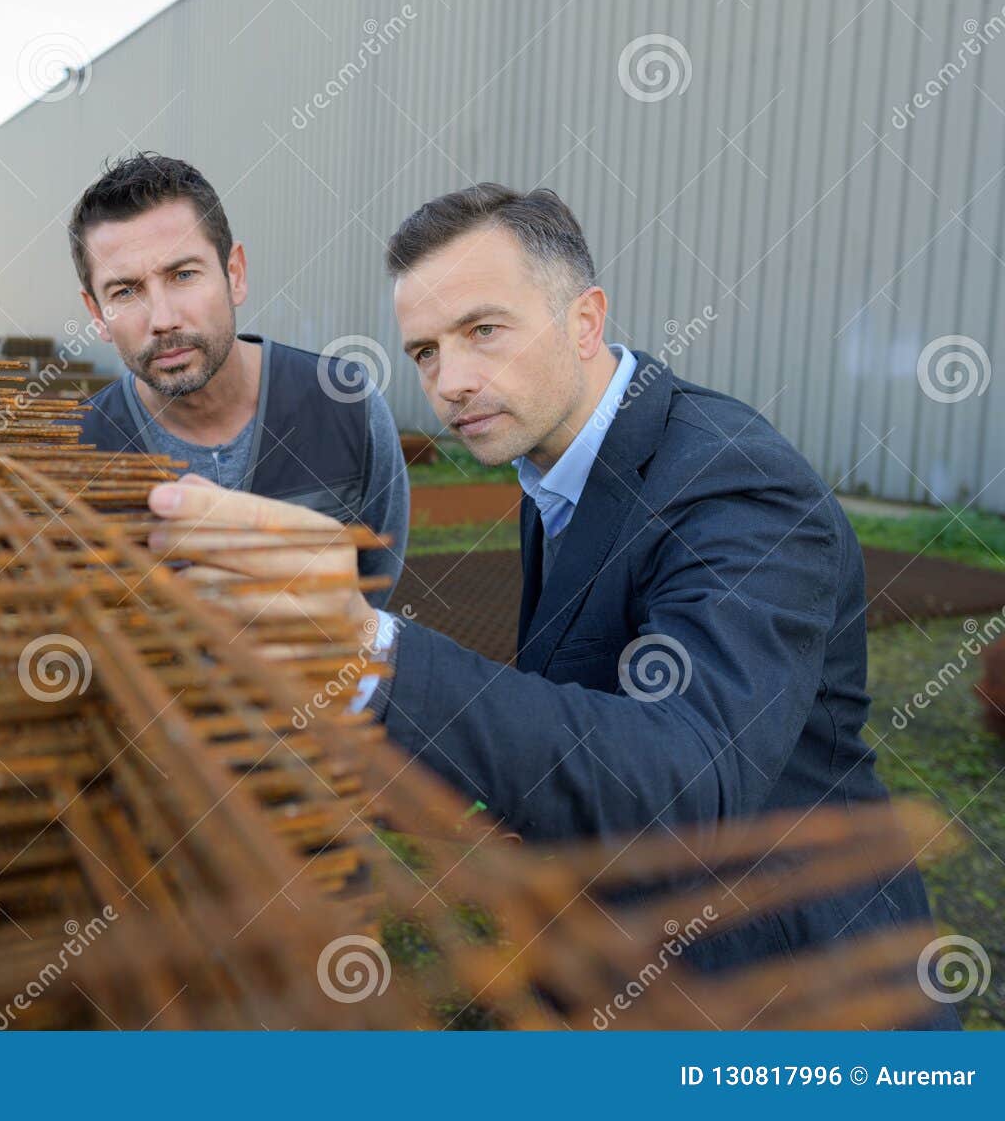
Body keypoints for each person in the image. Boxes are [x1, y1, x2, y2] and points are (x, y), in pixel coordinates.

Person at [144, 183, 957, 1028]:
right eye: (424, 351)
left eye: (483, 330)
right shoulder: (555, 461)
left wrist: (366, 647)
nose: (451, 382)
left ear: (584, 319)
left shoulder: (738, 486)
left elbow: (689, 783)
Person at [70, 152, 408, 608]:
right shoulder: (72, 451)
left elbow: (372, 599)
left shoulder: (347, 405)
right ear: (97, 314)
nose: (163, 319)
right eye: (126, 291)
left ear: (235, 275)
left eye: (184, 275)